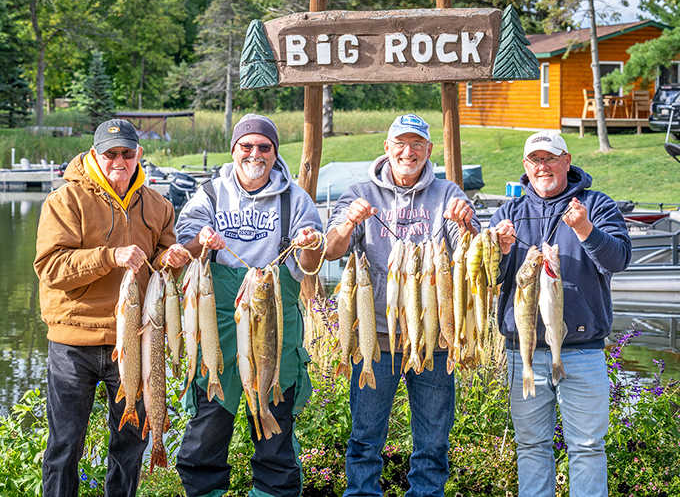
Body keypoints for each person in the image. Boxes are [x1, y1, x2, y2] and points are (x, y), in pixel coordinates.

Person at [34, 119, 190, 496]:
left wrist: (173, 257)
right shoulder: (65, 201)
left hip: (135, 341)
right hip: (75, 342)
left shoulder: (157, 204)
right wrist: (110, 257)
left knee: (129, 446)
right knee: (64, 446)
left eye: (127, 152)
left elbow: (160, 256)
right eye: (111, 153)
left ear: (139, 154)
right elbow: (50, 268)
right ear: (95, 154)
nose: (119, 160)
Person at [325, 113, 478, 497]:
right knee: (365, 438)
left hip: (435, 340)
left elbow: (471, 257)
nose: (407, 152)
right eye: (400, 144)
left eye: (417, 145)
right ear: (387, 148)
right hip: (375, 336)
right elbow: (330, 250)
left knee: (433, 443)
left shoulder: (449, 193)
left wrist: (467, 226)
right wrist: (347, 224)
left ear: (429, 150)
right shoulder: (359, 192)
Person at [174, 114, 324, 497]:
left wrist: (311, 244)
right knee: (208, 427)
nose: (254, 153)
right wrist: (201, 240)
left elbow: (310, 264)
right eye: (247, 145)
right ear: (234, 149)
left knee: (275, 429)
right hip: (218, 322)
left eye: (264, 147)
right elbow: (184, 246)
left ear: (274, 154)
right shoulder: (209, 193)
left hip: (278, 322)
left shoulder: (296, 199)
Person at [490, 130, 632, 497]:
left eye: (550, 158)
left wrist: (584, 228)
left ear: (566, 161)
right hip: (523, 354)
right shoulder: (509, 212)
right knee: (531, 447)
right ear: (525, 167)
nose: (543, 167)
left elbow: (619, 260)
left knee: (587, 447)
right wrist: (500, 251)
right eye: (535, 160)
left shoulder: (596, 204)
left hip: (584, 350)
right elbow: (489, 279)